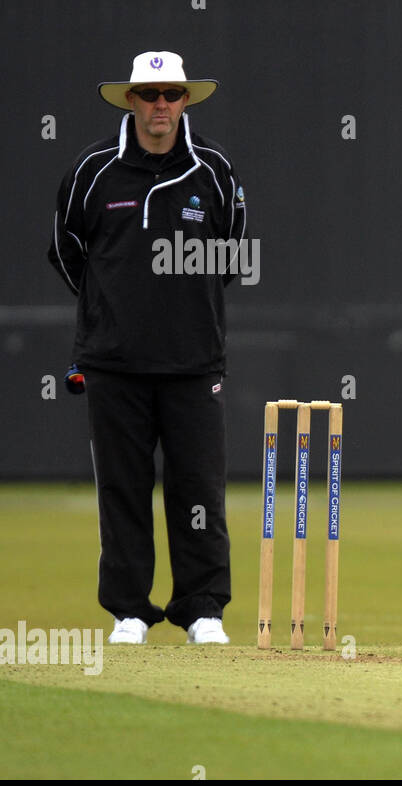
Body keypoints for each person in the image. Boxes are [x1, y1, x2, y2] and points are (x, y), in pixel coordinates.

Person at [48, 51, 247, 645]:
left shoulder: (212, 170)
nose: (161, 105)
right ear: (131, 100)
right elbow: (65, 252)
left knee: (198, 487)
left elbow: (232, 255)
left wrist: (181, 307)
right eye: (150, 94)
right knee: (123, 487)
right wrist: (114, 305)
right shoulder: (92, 170)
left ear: (186, 100)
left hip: (193, 361)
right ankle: (129, 610)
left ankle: (203, 608)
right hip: (114, 363)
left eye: (172, 94)